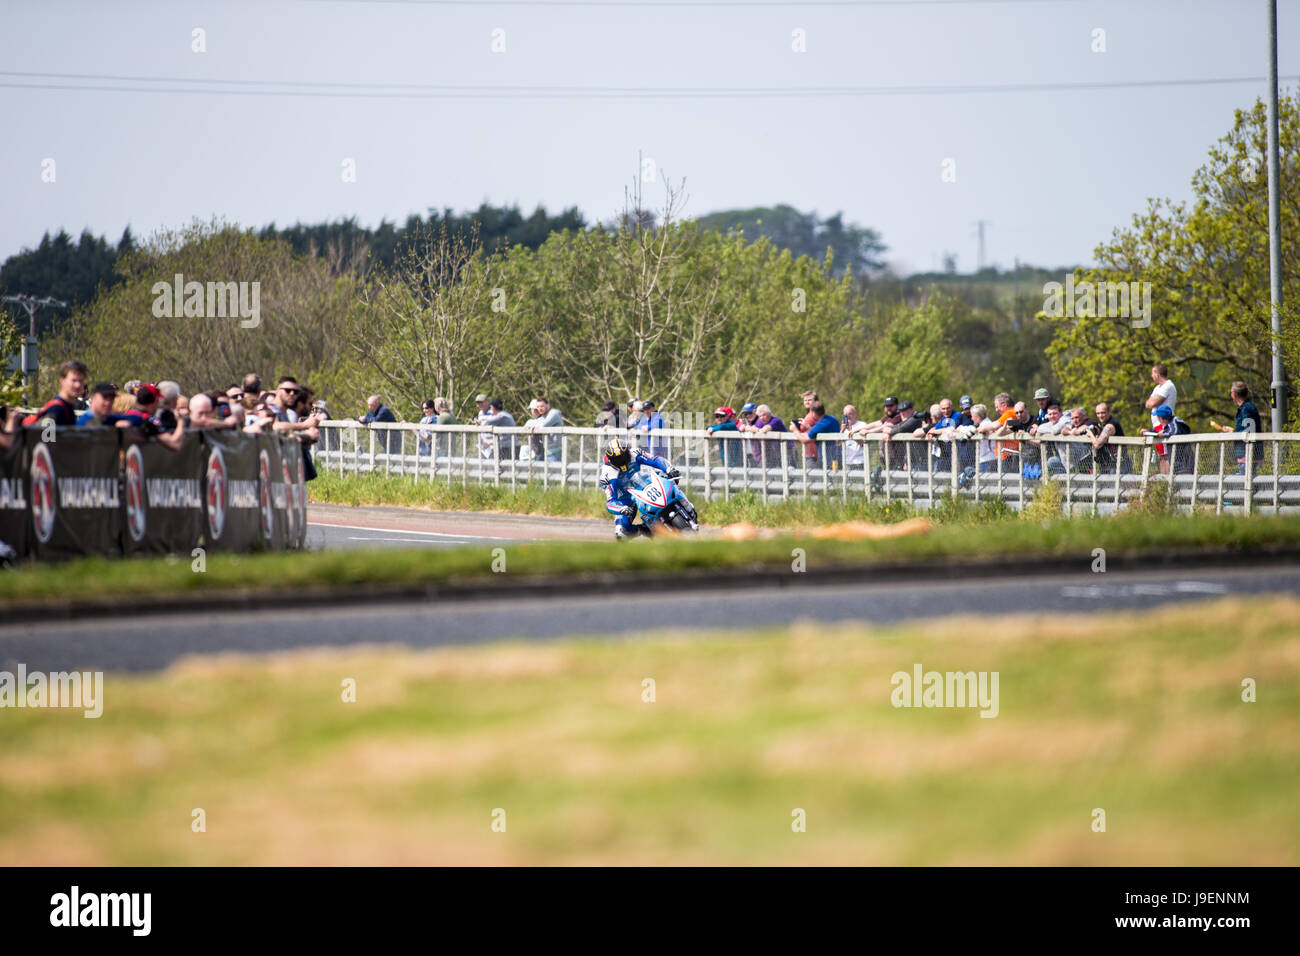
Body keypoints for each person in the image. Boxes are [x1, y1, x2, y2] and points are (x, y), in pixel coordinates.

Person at [598, 438, 681, 540]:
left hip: (643, 484)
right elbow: (611, 501)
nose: (622, 460)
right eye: (618, 459)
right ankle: (644, 529)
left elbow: (654, 460)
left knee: (670, 479)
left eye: (624, 455)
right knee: (621, 534)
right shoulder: (607, 475)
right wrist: (621, 508)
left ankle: (685, 505)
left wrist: (669, 469)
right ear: (610, 459)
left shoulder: (634, 453)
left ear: (627, 450)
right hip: (625, 498)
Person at [1210, 381, 1264, 474]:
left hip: (1246, 453)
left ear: (1235, 394)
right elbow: (1247, 428)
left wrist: (1233, 433)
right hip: (1250, 453)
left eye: (1231, 392)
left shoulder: (1245, 408)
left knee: (1245, 480)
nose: (1230, 394)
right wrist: (1233, 431)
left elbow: (1248, 430)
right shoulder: (1248, 407)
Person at [119, 383, 186, 451]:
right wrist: (181, 421)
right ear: (155, 401)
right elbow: (175, 445)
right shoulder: (151, 420)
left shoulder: (126, 415)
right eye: (158, 401)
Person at [22, 359, 86, 426]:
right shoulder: (56, 410)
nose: (78, 385)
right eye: (74, 380)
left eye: (81, 381)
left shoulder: (68, 407)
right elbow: (46, 433)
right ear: (62, 381)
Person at [1145, 363, 1178, 473]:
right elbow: (1148, 404)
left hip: (1164, 424)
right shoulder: (1157, 388)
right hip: (1156, 424)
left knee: (1165, 455)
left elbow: (1153, 403)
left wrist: (1152, 402)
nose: (1152, 376)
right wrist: (1151, 402)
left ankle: (1167, 478)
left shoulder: (1168, 386)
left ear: (1157, 374)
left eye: (1152, 373)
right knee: (1160, 455)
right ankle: (1163, 478)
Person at [1143, 404, 1194, 475]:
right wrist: (1148, 431)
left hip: (1184, 462)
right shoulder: (1168, 425)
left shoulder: (1174, 422)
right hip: (1176, 463)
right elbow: (1161, 432)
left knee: (1185, 477)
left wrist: (1163, 433)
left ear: (1161, 418)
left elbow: (1173, 431)